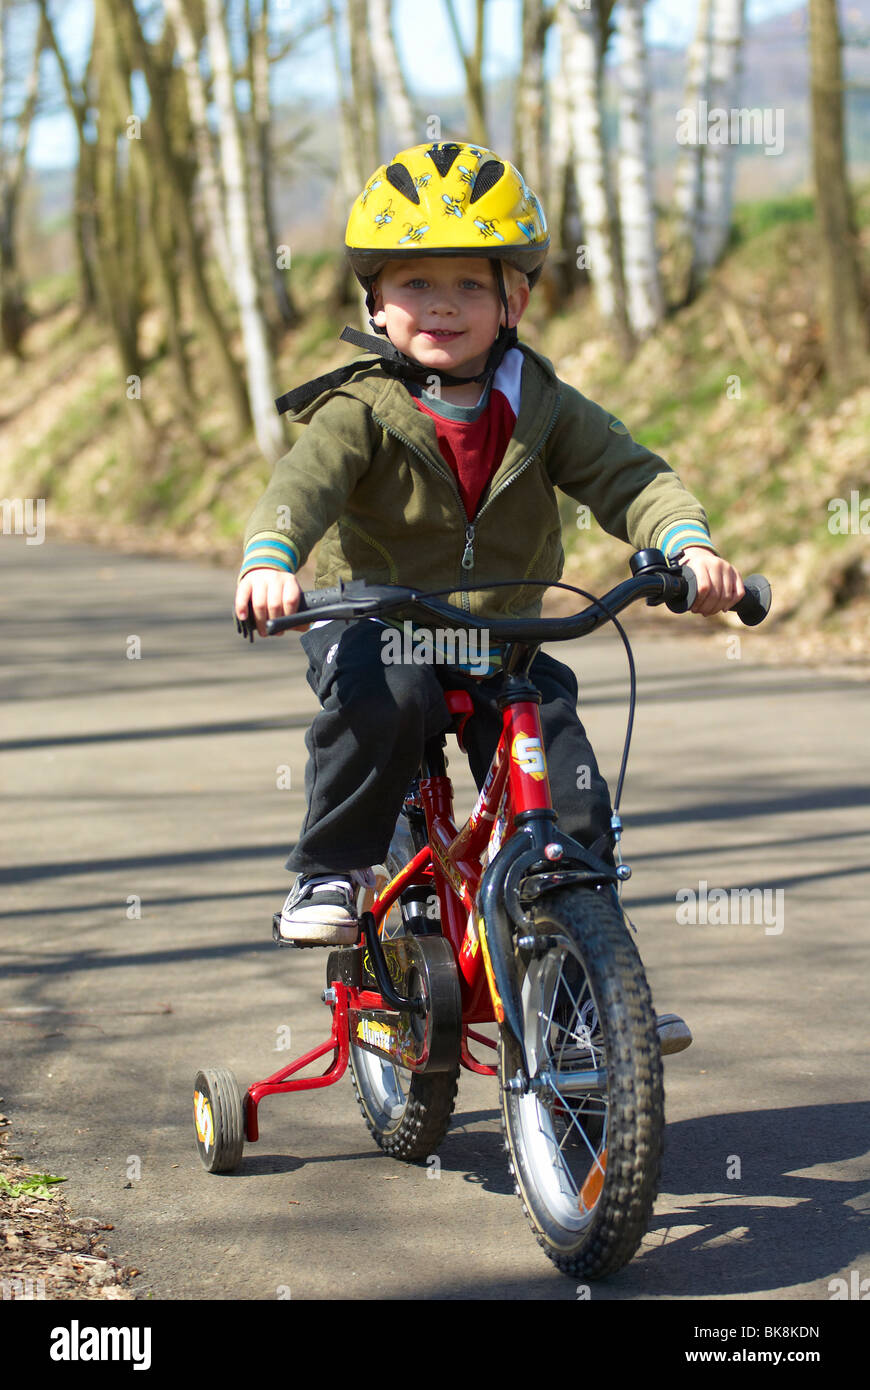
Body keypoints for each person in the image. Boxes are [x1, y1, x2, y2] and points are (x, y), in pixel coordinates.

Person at [234, 140, 745, 953]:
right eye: (415, 283)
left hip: (502, 633)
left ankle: (588, 965)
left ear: (515, 299)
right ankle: (332, 866)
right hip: (377, 618)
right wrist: (271, 558)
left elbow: (629, 476)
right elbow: (304, 486)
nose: (441, 305)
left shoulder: (541, 403)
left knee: (563, 767)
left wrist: (686, 546)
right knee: (386, 699)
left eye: (469, 283)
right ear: (375, 303)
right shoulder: (359, 407)